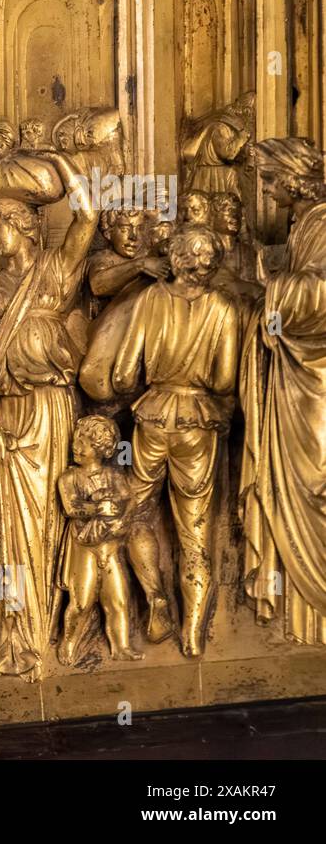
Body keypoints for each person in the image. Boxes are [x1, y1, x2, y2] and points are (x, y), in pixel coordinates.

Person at [0, 151, 96, 681]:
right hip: (6, 417)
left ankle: (42, 623)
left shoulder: (56, 270)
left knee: (46, 516)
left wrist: (60, 161)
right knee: (10, 524)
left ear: (24, 225)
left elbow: (89, 215)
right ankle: (8, 626)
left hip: (50, 411)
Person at [112, 224, 241, 657]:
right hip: (197, 425)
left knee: (138, 513)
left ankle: (155, 599)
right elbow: (225, 380)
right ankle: (192, 632)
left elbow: (123, 373)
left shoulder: (150, 299)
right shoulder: (223, 308)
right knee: (195, 533)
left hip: (151, 418)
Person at [240, 137, 326, 645]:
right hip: (299, 367)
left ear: (295, 177)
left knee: (315, 474)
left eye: (271, 180)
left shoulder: (321, 219)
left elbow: (320, 292)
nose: (268, 192)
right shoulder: (305, 223)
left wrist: (270, 283)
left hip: (313, 372)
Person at [57, 416, 142, 664]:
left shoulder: (113, 476)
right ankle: (69, 643)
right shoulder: (69, 478)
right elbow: (71, 508)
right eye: (76, 441)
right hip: (84, 548)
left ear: (101, 448)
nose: (77, 447)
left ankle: (121, 646)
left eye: (84, 443)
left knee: (118, 600)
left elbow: (129, 501)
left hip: (111, 547)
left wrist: (120, 519)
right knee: (81, 602)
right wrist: (99, 508)